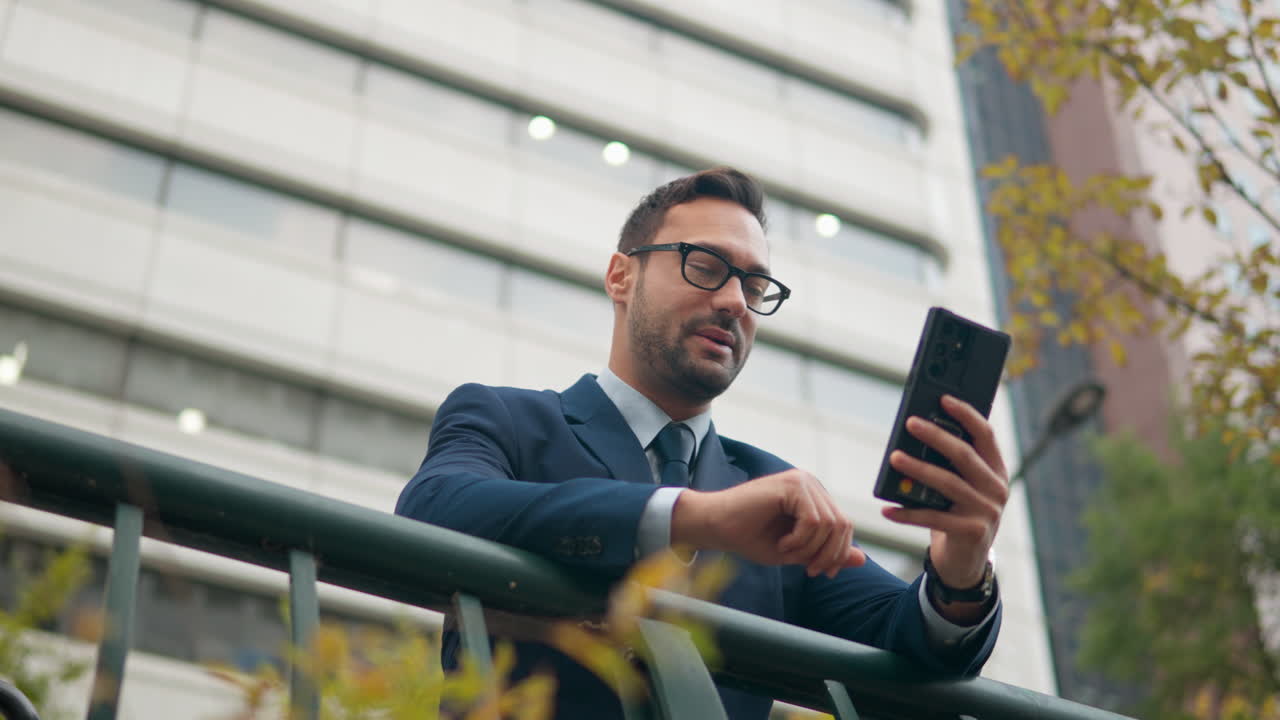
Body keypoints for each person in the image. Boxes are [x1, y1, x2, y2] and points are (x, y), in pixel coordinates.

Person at [396, 167, 1009, 719]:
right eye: (706, 266)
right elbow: (434, 508)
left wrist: (962, 566)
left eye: (756, 286)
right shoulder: (507, 417)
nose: (735, 302)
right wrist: (692, 517)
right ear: (621, 276)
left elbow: (908, 641)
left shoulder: (770, 489)